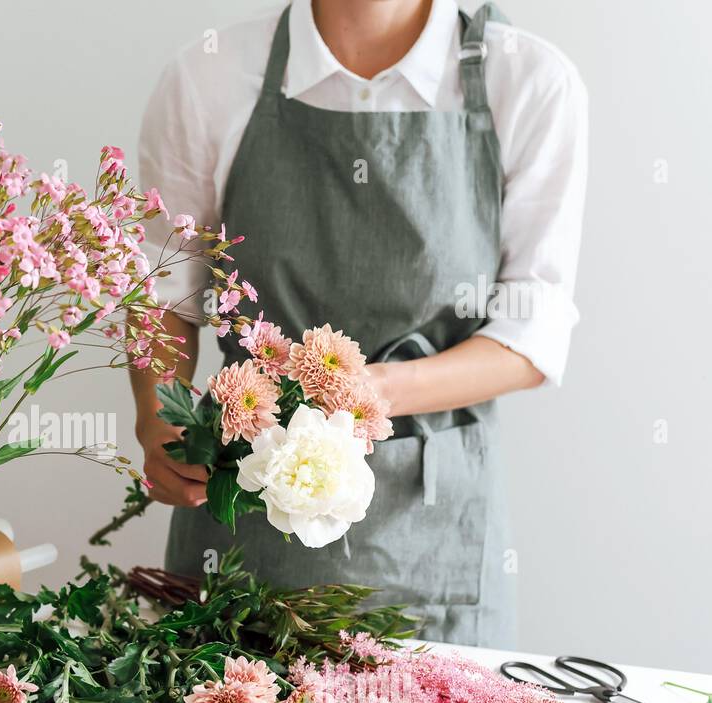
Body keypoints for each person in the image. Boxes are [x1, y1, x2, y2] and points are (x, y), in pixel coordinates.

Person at [132, 0, 587, 646]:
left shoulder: (530, 82)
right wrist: (156, 415)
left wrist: (360, 393)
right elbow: (164, 293)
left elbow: (531, 334)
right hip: (244, 528)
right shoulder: (209, 76)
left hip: (435, 546)